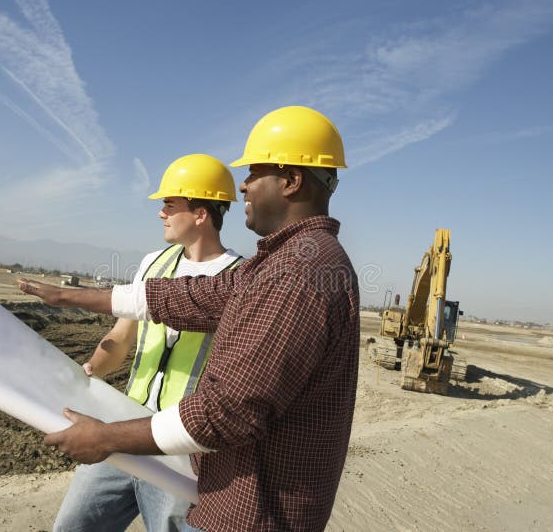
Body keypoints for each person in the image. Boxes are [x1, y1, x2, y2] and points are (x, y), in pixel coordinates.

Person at [19, 106, 359, 532]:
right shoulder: (282, 262)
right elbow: (192, 297)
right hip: (208, 474)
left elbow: (228, 411)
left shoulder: (298, 272)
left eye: (254, 173)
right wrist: (68, 296)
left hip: (246, 510)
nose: (244, 185)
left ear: (291, 181)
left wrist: (106, 437)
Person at [52, 153, 241, 532]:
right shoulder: (153, 264)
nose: (161, 213)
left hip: (180, 449)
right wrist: (90, 370)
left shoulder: (240, 279)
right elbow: (121, 337)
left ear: (201, 212)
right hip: (122, 429)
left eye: (170, 204)